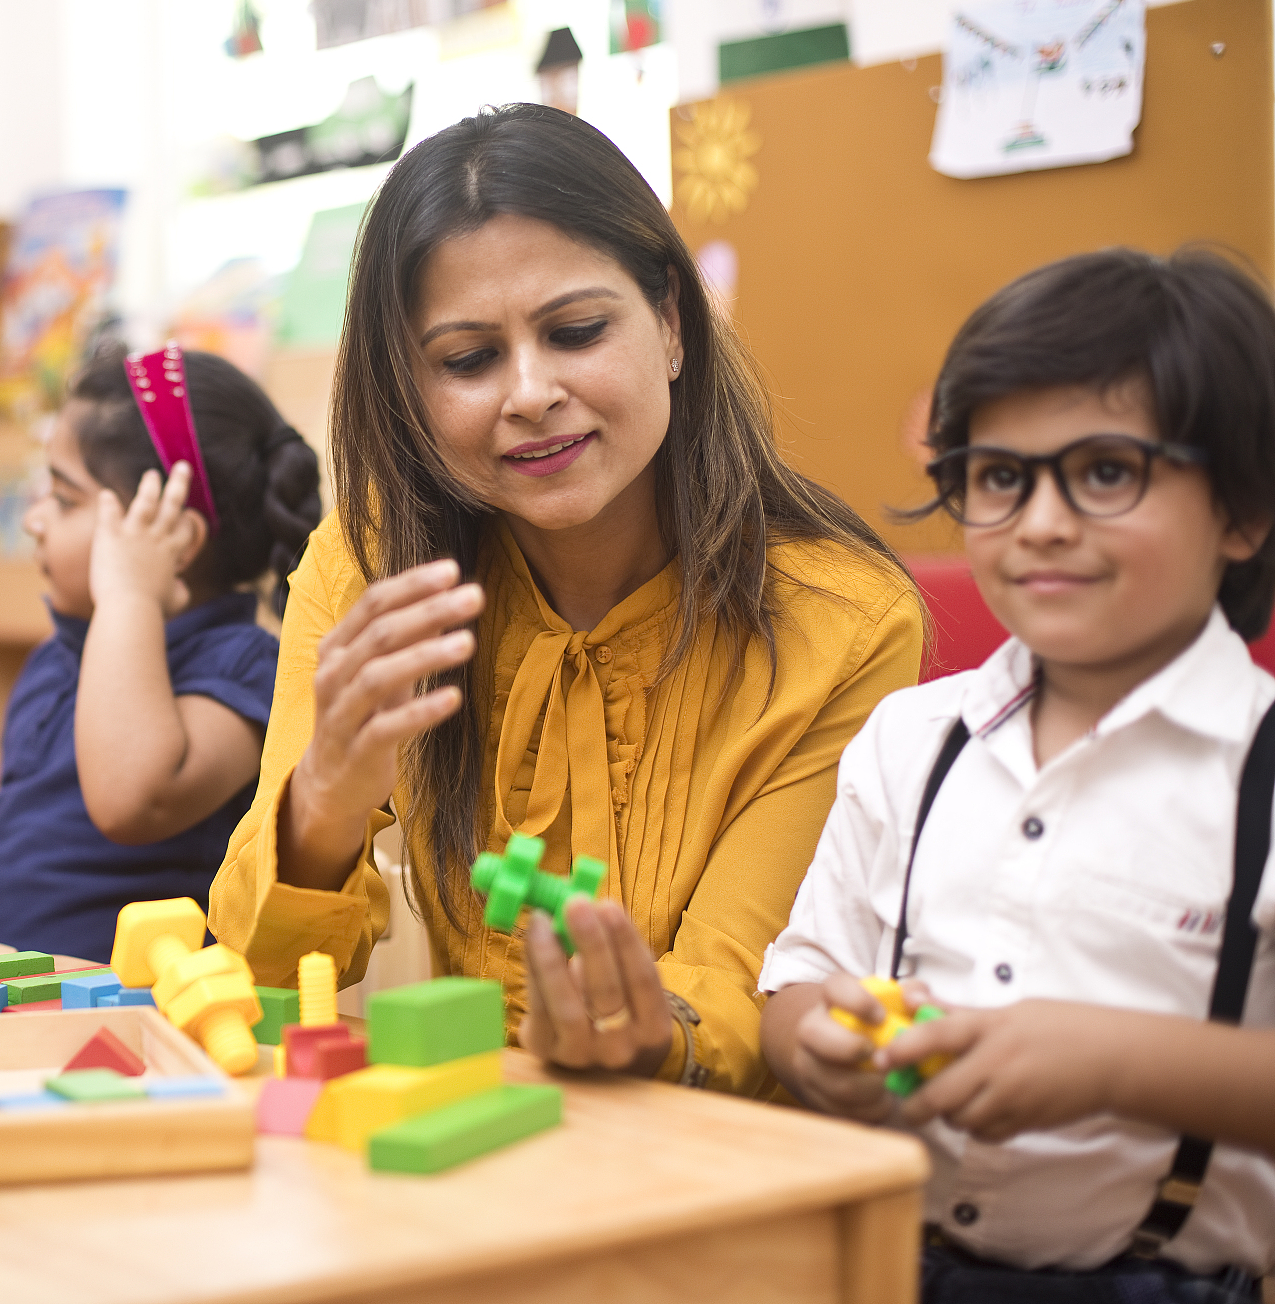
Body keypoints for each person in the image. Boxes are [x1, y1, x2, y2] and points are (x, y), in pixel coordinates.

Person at [208, 103, 923, 1094]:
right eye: (466, 360)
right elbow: (258, 974)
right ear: (408, 392)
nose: (529, 392)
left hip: (707, 1160)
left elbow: (746, 991)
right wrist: (324, 794)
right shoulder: (371, 567)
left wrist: (638, 1031)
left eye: (575, 331)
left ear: (669, 323)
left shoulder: (841, 622)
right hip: (463, 1135)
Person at [759, 249, 1275, 1298]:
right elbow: (796, 980)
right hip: (887, 1265)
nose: (1039, 521)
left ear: (1240, 512)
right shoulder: (907, 742)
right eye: (999, 477)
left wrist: (1108, 1063)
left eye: (1103, 471)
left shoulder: (1256, 773)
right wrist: (816, 1043)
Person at [0, 344, 320, 962]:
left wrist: (131, 592)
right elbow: (48, 858)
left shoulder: (243, 669)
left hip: (117, 1030)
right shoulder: (56, 659)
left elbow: (130, 802)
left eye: (63, 498)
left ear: (174, 538)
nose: (34, 519)